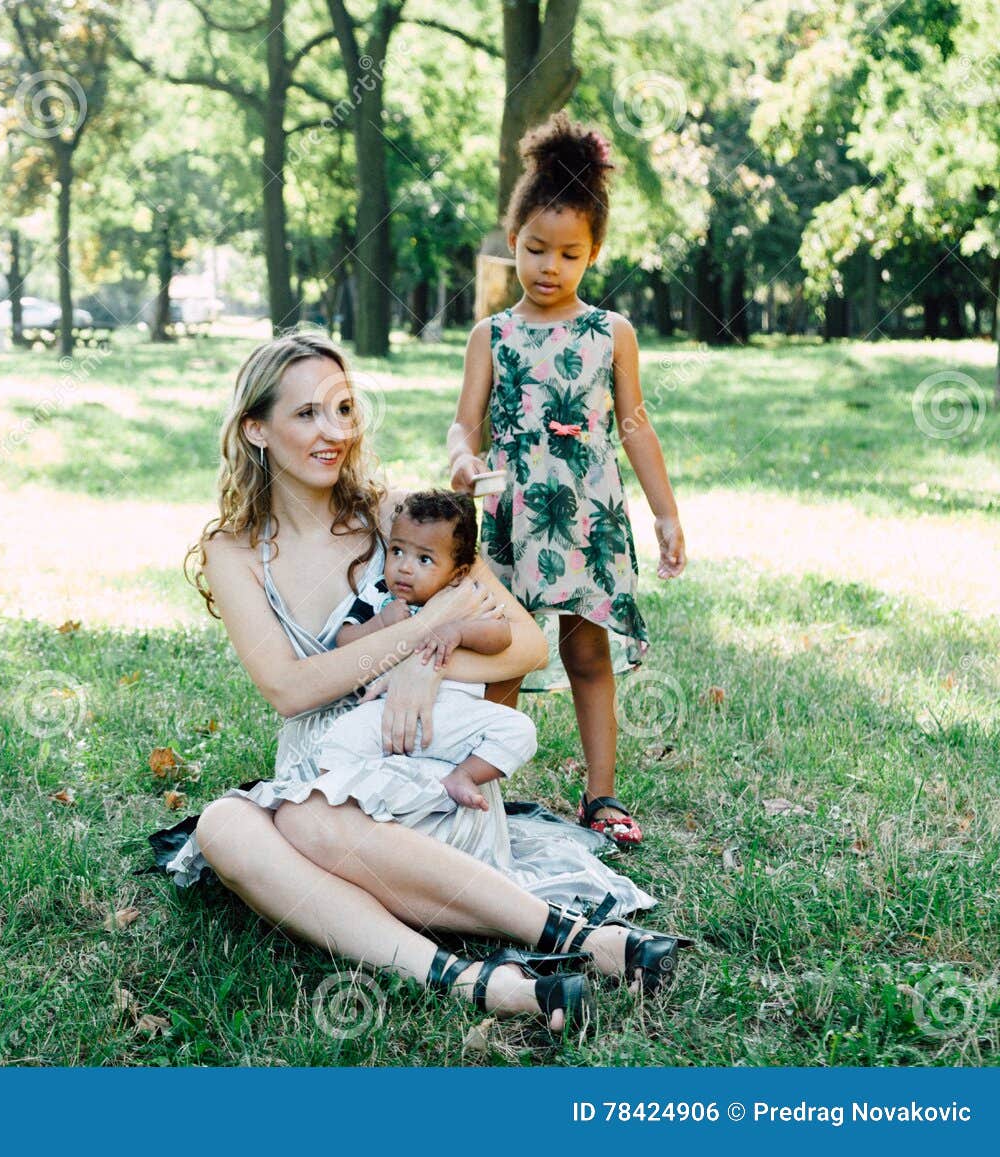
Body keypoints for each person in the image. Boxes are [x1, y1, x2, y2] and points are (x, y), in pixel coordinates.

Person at [152, 329, 687, 1037]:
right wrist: (412, 645)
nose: (334, 431)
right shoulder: (233, 548)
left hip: (428, 767)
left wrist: (428, 666)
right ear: (255, 427)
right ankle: (478, 980)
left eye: (344, 409)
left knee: (308, 819)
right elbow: (286, 688)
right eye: (307, 413)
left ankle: (578, 938)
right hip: (322, 769)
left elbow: (525, 643)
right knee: (225, 823)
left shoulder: (398, 516)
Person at [446, 112, 687, 848]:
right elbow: (467, 423)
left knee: (587, 653)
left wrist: (666, 514)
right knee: (509, 655)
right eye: (534, 249)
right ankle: (479, 790)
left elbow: (636, 426)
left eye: (569, 254)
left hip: (590, 520)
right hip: (517, 520)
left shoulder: (610, 332)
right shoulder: (492, 335)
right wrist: (461, 457)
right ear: (512, 241)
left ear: (594, 255)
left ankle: (602, 794)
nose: (549, 266)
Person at [329, 488, 531, 811]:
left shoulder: (466, 595)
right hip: (386, 714)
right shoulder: (378, 594)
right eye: (397, 552)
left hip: (454, 717)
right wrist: (379, 624)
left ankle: (462, 775)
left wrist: (458, 631)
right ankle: (347, 804)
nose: (405, 568)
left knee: (520, 731)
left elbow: (502, 635)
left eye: (424, 559)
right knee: (337, 743)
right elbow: (344, 641)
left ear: (457, 571)